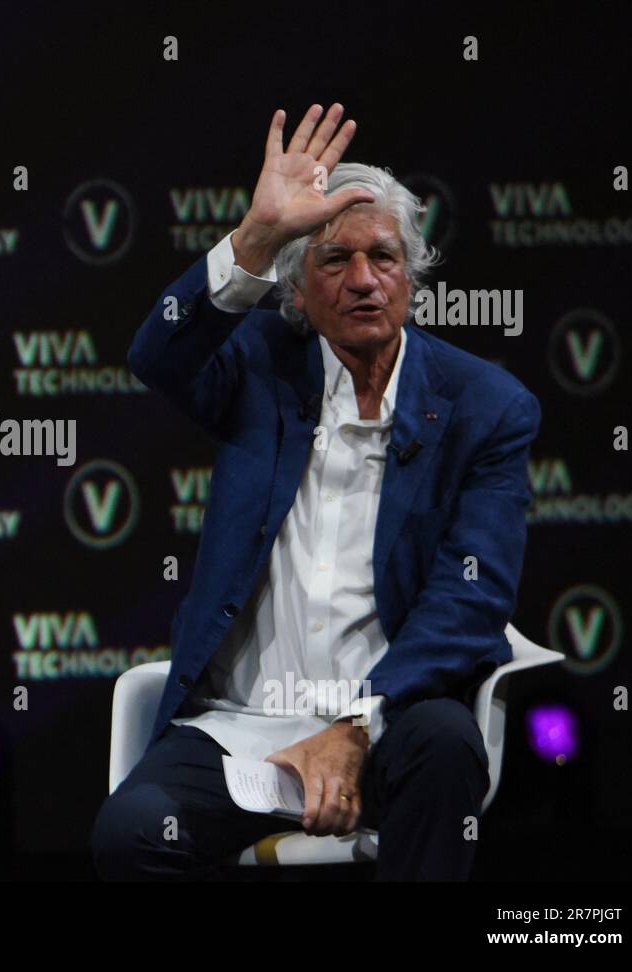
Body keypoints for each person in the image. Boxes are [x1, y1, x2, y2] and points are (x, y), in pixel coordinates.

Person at [92, 105, 541, 880]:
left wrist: (357, 723)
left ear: (413, 272)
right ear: (297, 289)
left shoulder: (486, 406)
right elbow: (156, 353)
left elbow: (472, 599)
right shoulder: (260, 364)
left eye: (385, 258)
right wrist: (259, 236)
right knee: (132, 834)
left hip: (391, 717)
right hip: (245, 723)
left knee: (445, 747)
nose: (365, 281)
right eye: (334, 260)